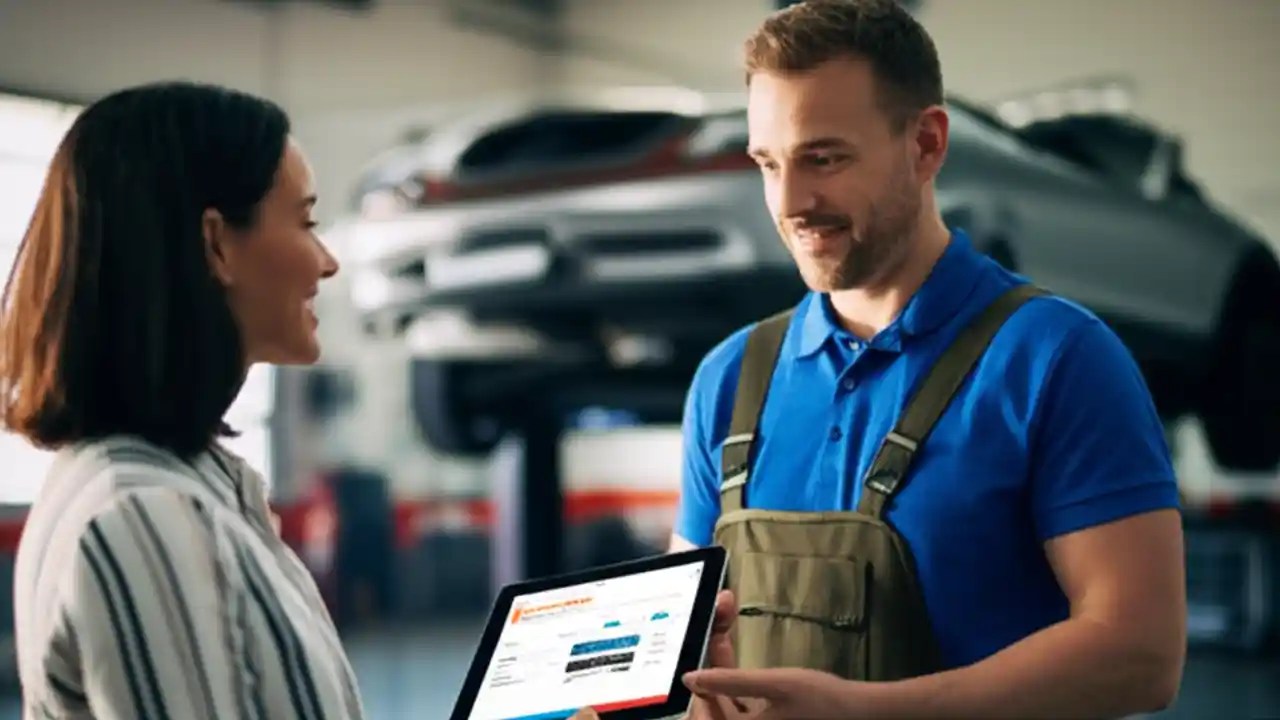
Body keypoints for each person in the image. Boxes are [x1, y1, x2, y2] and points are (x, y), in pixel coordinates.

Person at [669, 1, 1187, 717]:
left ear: (926, 145)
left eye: (824, 158)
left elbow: (1141, 654)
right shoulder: (729, 379)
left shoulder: (1057, 360)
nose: (790, 201)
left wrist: (871, 713)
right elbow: (680, 640)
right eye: (768, 163)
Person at [0, 81, 362, 719]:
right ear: (217, 244)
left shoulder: (182, 487)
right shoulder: (147, 515)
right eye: (304, 220)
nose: (326, 261)